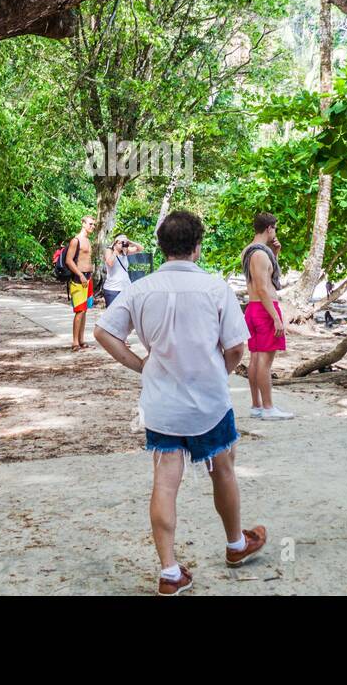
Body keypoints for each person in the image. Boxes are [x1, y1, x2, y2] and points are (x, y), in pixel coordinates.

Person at [93, 210, 268, 595]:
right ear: (198, 246)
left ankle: (170, 571)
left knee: (165, 481)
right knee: (223, 469)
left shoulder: (141, 289)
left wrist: (142, 365)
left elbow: (103, 332)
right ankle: (236, 544)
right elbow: (238, 346)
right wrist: (217, 370)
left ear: (160, 246)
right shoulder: (215, 287)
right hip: (209, 401)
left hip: (162, 403)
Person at [241, 212, 293, 421]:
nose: (275, 232)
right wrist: (276, 318)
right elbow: (263, 287)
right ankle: (269, 407)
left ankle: (257, 405)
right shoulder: (260, 254)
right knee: (265, 361)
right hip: (264, 309)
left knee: (255, 357)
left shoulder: (249, 251)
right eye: (275, 228)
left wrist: (276, 253)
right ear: (269, 228)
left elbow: (265, 277)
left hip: (252, 309)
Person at [65, 215, 97, 351]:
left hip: (88, 278)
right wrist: (79, 274)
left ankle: (82, 340)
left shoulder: (88, 241)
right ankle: (75, 342)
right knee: (79, 310)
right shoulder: (76, 240)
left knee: (85, 311)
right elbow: (69, 260)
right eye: (90, 224)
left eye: (94, 225)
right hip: (79, 279)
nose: (92, 226)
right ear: (83, 223)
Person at [102, 234, 144, 308]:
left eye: (124, 241)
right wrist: (115, 251)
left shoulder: (125, 251)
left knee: (125, 313)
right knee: (112, 314)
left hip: (125, 288)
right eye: (121, 241)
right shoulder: (109, 250)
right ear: (115, 242)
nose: (123, 243)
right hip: (112, 289)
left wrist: (130, 242)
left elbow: (141, 248)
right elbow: (110, 263)